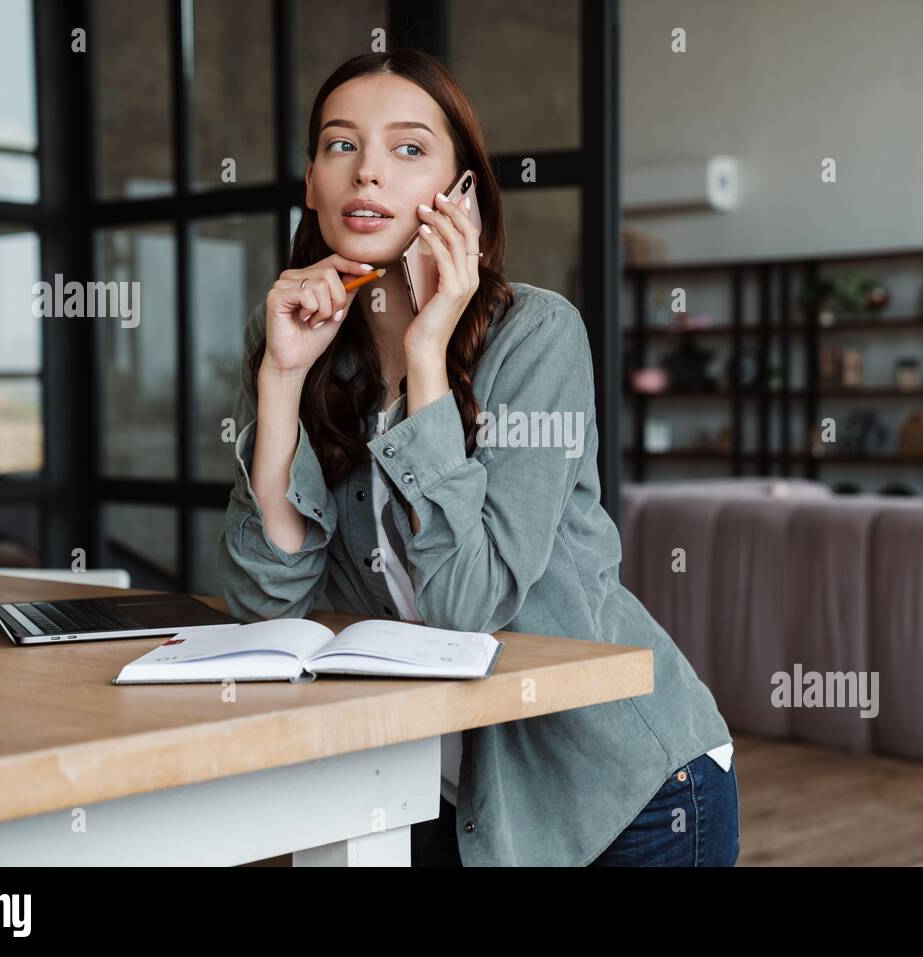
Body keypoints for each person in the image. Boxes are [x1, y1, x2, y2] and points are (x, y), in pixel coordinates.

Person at [218, 48, 739, 867]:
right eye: (341, 144)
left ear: (460, 192)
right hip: (444, 791)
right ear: (312, 183)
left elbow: (468, 603)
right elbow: (265, 604)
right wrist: (282, 378)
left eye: (409, 148)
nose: (367, 172)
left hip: (622, 795)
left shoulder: (538, 334)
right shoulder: (290, 331)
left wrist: (427, 353)